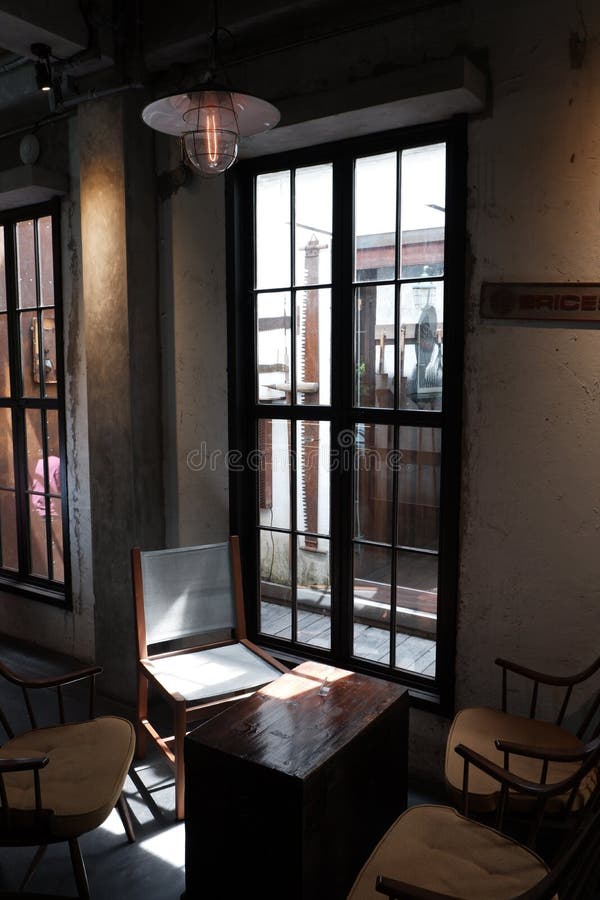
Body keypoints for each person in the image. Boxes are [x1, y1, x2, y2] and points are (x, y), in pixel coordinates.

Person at [406, 304, 442, 409]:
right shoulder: (425, 321)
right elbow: (423, 343)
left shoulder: (427, 318)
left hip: (426, 367)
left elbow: (425, 343)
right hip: (422, 366)